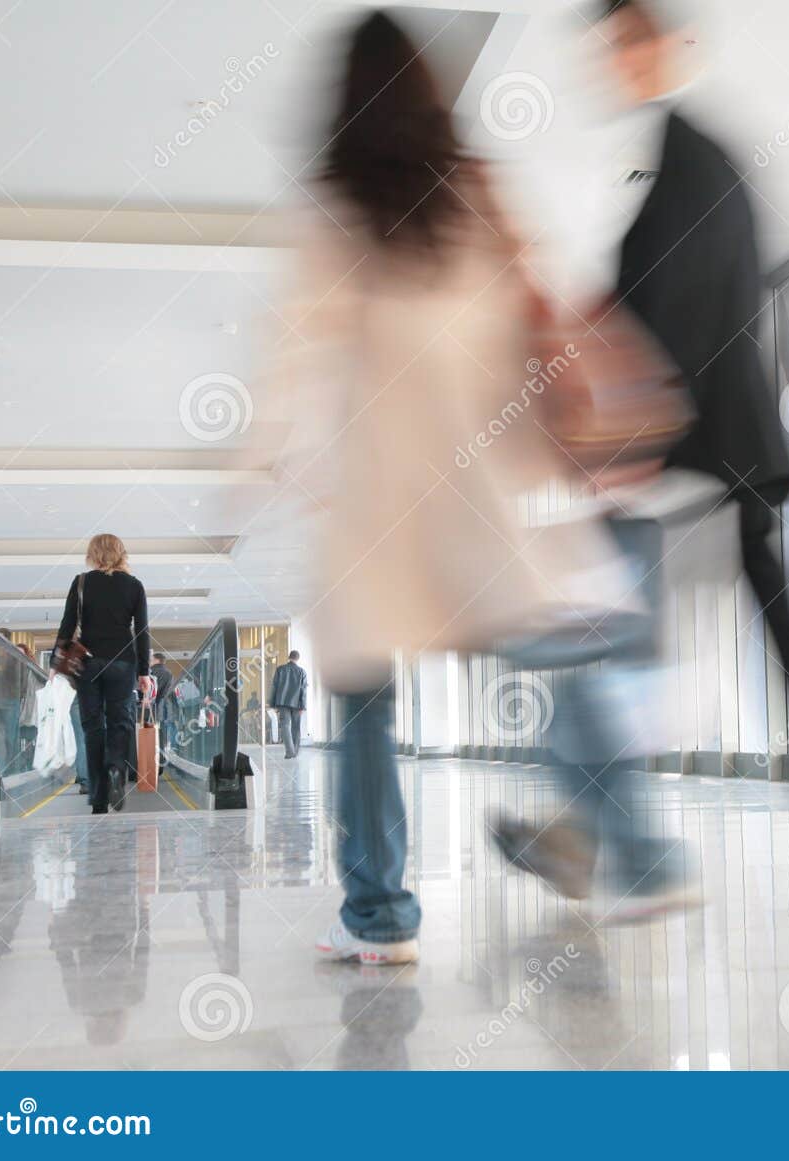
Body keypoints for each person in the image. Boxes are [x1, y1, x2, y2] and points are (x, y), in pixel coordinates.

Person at [269, 12, 626, 963]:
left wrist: (268, 460)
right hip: (476, 475)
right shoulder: (472, 194)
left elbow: (297, 348)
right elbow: (532, 313)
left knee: (364, 696)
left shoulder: (336, 208)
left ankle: (381, 918)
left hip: (379, 489)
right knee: (543, 635)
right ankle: (601, 819)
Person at [584, 0, 789, 916]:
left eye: (625, 44)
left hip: (710, 451)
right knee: (777, 651)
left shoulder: (690, 159)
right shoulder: (697, 156)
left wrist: (635, 442)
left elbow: (687, 310)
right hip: (728, 451)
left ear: (665, 48)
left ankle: (602, 832)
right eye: (610, 48)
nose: (614, 62)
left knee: (613, 631)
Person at [54, 533, 156, 815]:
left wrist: (56, 663)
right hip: (123, 662)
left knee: (93, 726)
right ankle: (115, 769)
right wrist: (144, 672)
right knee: (120, 721)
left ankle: (98, 799)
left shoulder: (82, 582)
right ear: (122, 553)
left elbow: (67, 624)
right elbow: (143, 631)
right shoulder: (135, 586)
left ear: (92, 553)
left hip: (89, 662)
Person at [268, 650, 308, 758]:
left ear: (289, 657)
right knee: (296, 727)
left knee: (285, 726)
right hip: (297, 704)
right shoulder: (302, 672)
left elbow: (274, 686)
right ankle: (294, 751)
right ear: (297, 659)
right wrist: (303, 706)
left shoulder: (280, 669)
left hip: (283, 702)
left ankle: (290, 751)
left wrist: (272, 704)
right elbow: (303, 690)